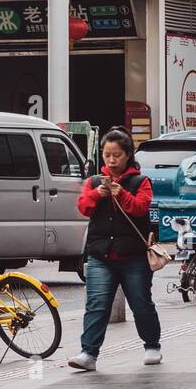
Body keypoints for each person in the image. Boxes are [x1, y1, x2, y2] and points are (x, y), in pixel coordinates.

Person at [68, 127, 162, 372]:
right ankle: (88, 353)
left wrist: (122, 196)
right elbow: (83, 208)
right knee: (97, 303)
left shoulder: (141, 181)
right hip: (101, 254)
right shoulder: (94, 181)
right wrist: (97, 195)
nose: (111, 160)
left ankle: (152, 345)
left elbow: (141, 208)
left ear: (128, 155)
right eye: (107, 154)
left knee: (140, 302)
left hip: (133, 256)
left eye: (117, 155)